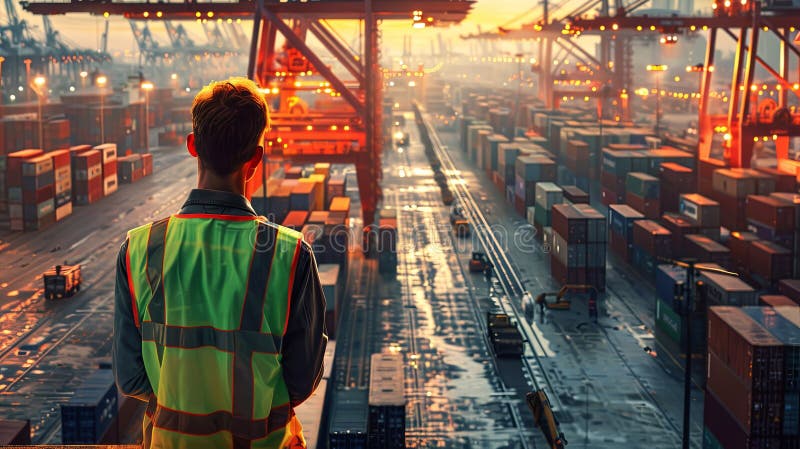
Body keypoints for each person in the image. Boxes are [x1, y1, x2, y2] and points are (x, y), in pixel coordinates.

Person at [113, 77, 327, 449]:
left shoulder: (140, 248)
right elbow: (302, 379)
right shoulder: (291, 255)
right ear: (256, 160)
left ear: (193, 146)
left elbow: (131, 378)